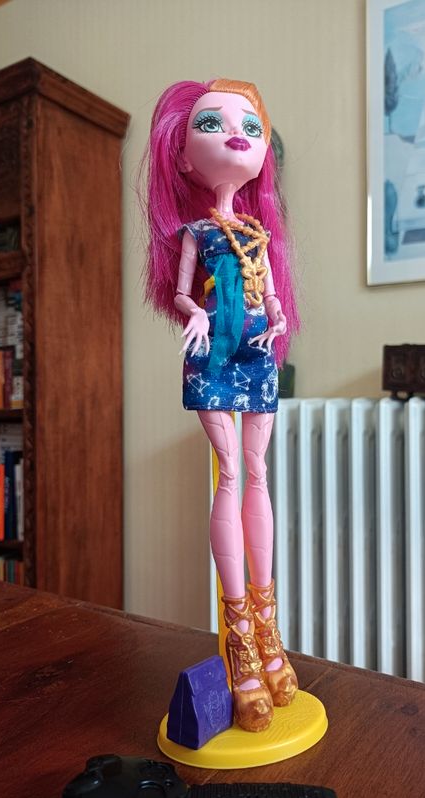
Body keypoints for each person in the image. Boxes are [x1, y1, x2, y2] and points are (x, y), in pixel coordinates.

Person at [142, 78, 300, 733]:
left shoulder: (259, 235)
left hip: (257, 353)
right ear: (182, 158)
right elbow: (181, 294)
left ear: (262, 155)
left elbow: (271, 296)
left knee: (257, 474)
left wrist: (278, 318)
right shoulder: (195, 233)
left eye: (251, 128)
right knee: (230, 475)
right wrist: (197, 315)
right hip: (213, 353)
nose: (237, 135)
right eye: (212, 124)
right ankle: (240, 642)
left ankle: (267, 628)